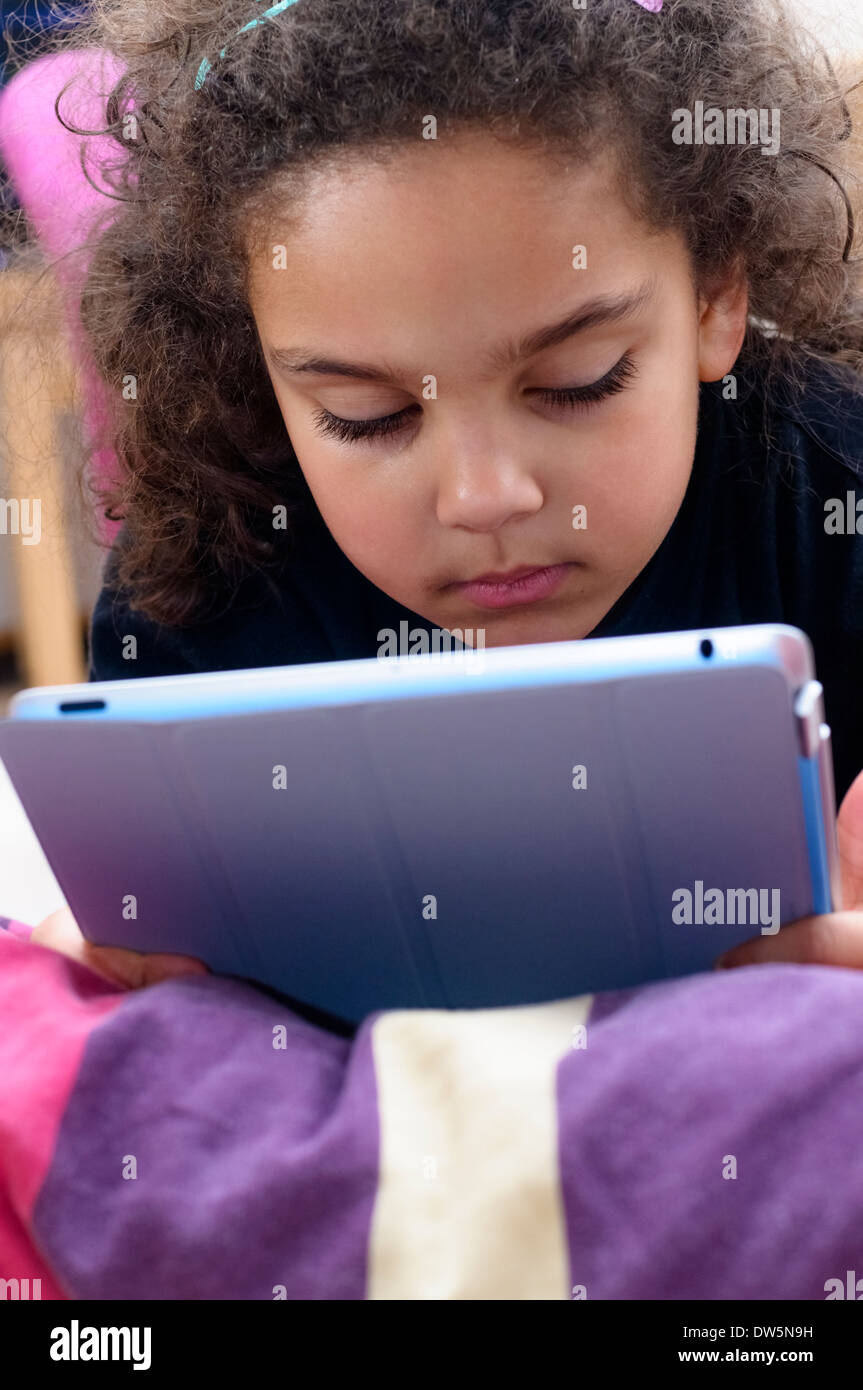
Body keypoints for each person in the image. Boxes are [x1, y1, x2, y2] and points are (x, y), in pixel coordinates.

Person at [12, 0, 863, 982]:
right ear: (251, 361)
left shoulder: (827, 491)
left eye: (577, 380)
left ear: (715, 296)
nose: (482, 497)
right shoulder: (206, 574)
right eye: (367, 414)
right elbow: (153, 972)